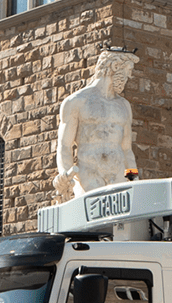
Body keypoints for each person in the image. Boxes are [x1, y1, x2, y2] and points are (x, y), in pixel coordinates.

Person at [54, 48, 140, 201]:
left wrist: (134, 180)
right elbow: (65, 146)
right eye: (128, 70)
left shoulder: (124, 106)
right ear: (114, 67)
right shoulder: (77, 102)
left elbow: (127, 150)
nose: (130, 76)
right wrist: (66, 177)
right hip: (90, 175)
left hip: (118, 175)